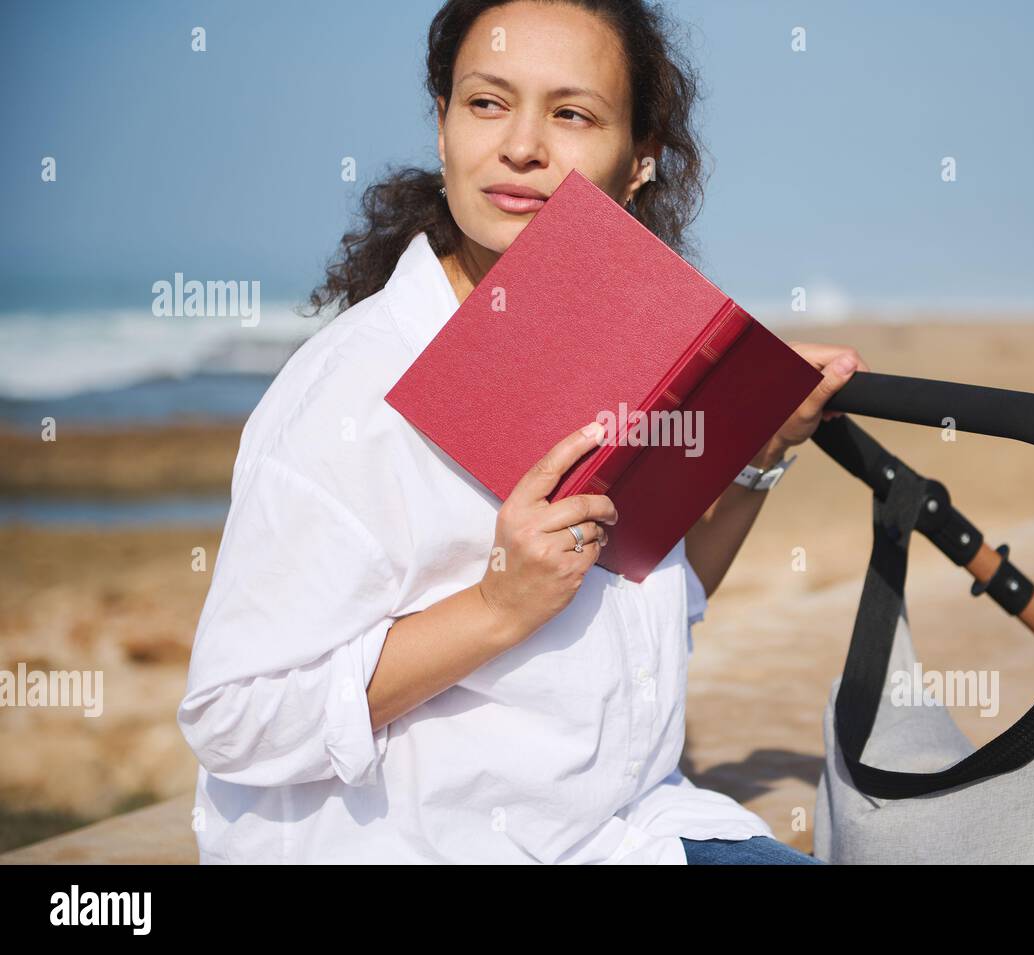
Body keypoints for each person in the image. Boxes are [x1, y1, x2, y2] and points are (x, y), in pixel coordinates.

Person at [177, 0, 866, 864]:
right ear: (441, 128)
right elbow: (231, 716)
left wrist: (761, 455)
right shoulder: (349, 393)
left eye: (571, 114)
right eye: (487, 102)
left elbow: (652, 603)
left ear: (638, 163)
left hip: (627, 830)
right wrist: (494, 609)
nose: (521, 147)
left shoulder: (619, 343)